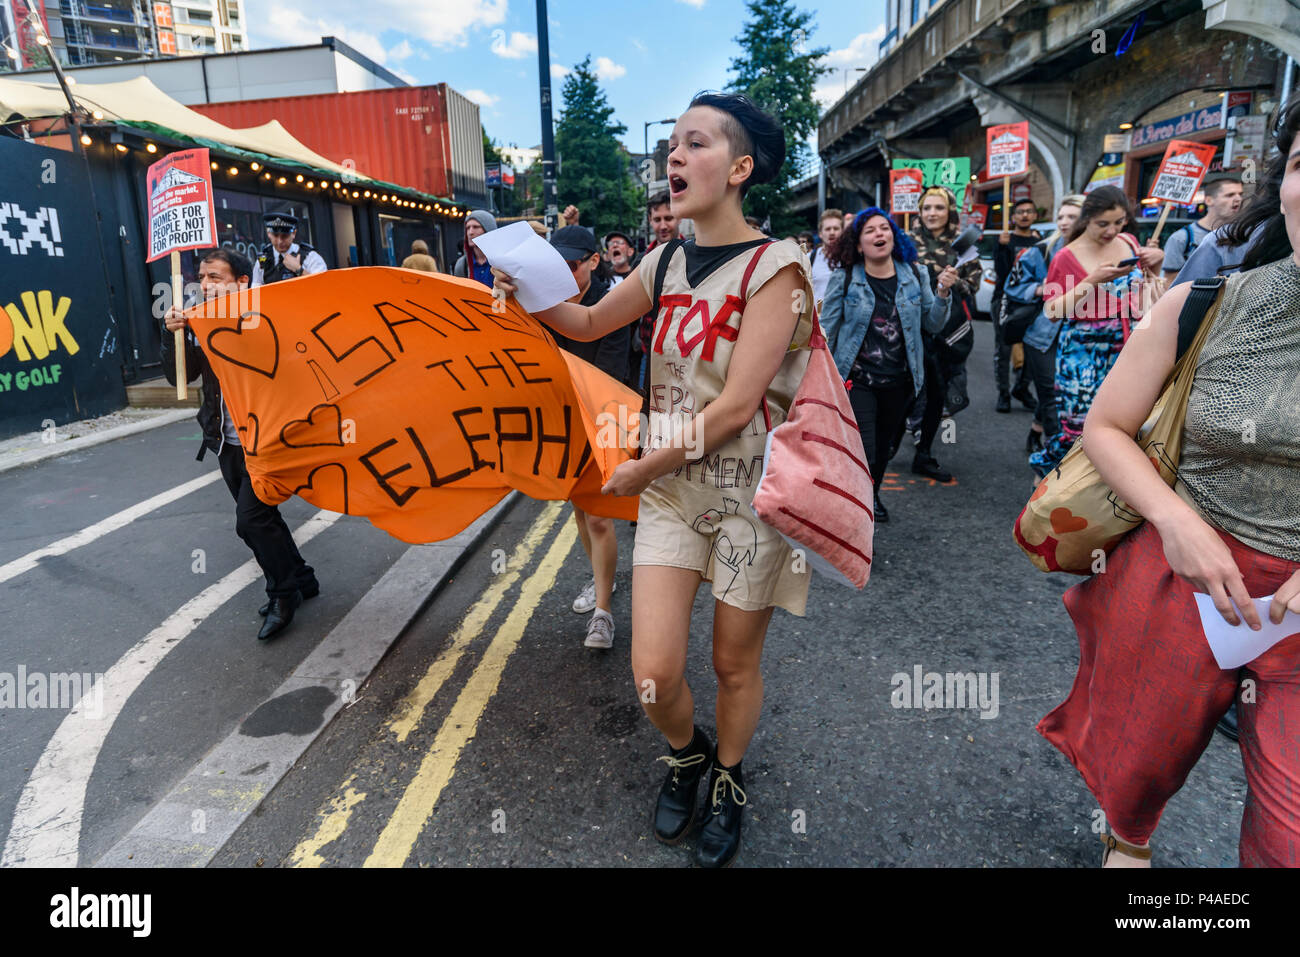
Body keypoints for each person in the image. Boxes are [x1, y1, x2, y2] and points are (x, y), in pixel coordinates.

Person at [493, 91, 815, 868]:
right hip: (674, 493)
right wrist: (523, 290)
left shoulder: (778, 267)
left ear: (739, 168)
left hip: (746, 500)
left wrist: (640, 465)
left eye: (694, 143)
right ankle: (688, 753)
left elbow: (739, 406)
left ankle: (730, 779)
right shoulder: (665, 259)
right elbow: (587, 322)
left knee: (734, 663)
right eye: (671, 143)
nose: (674, 156)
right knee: (654, 671)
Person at [1038, 98, 1300, 867]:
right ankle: (1127, 844)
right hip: (1180, 580)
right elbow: (1107, 427)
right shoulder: (1208, 302)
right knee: (1136, 770)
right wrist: (1174, 520)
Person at [162, 249, 320, 641]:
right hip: (226, 442)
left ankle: (284, 595)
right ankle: (302, 577)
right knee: (264, 518)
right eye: (203, 277)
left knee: (251, 520)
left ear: (242, 283)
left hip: (264, 441)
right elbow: (177, 377)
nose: (206, 284)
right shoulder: (197, 323)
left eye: (216, 276)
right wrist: (174, 337)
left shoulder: (263, 320)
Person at [819, 208, 955, 523]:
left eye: (885, 228)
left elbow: (932, 325)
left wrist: (943, 292)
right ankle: (857, 516)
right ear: (858, 243)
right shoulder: (846, 278)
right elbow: (827, 333)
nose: (880, 234)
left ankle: (871, 495)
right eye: (870, 230)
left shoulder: (915, 274)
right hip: (857, 380)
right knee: (865, 449)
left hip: (901, 382)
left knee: (883, 451)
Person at [1028, 185, 1164, 476]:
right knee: (1081, 432)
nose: (1112, 230)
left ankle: (1107, 496)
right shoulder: (1066, 255)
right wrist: (1091, 280)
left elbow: (1152, 294)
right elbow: (1051, 312)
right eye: (1103, 224)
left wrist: (1156, 267)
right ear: (1086, 218)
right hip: (1084, 354)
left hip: (1129, 348)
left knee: (1124, 427)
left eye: (1119, 222)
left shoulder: (1129, 242)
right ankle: (1054, 483)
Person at [543, 225, 632, 649]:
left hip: (605, 419)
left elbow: (611, 374)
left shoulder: (611, 302)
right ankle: (601, 581)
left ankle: (603, 613)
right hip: (565, 423)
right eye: (556, 264)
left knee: (599, 515)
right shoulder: (547, 301)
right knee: (581, 512)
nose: (564, 271)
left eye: (572, 264)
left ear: (594, 261)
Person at [907, 186, 981, 482]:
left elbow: (974, 285)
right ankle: (881, 449)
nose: (932, 214)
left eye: (939, 208)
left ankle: (923, 453)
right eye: (927, 208)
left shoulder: (962, 243)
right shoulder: (906, 242)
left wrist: (954, 282)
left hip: (947, 330)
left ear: (949, 211)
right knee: (903, 391)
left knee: (937, 392)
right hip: (910, 327)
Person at [1003, 194, 1084, 459]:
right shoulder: (1040, 251)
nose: (1064, 222)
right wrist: (1045, 289)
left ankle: (1036, 430)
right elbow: (1012, 286)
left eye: (1072, 216)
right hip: (1042, 334)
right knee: (1051, 393)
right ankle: (1057, 457)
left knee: (1066, 392)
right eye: (1060, 216)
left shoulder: (1099, 253)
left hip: (1082, 335)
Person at [992, 198, 1041, 412]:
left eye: (1029, 211)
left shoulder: (1040, 243)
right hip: (1005, 300)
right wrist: (1002, 249)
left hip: (1031, 301)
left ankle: (1021, 387)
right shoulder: (1005, 240)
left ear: (1034, 216)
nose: (1024, 215)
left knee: (1033, 347)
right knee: (1003, 348)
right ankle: (1003, 393)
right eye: (1020, 212)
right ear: (1013, 217)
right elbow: (1002, 274)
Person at [1161, 174, 1244, 281]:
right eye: (1230, 195)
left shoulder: (1244, 235)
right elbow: (1170, 282)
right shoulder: (1181, 238)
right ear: (1209, 200)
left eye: (1240, 194)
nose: (1238, 199)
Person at [252, 212, 327, 286]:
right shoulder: (263, 259)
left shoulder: (310, 257)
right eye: (275, 235)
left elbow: (323, 287)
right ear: (268, 233)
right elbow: (256, 292)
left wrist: (299, 270)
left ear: (294, 233)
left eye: (284, 236)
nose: (280, 241)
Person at [452, 210, 498, 288]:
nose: (470, 232)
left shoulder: (503, 262)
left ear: (489, 230)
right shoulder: (462, 265)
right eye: (467, 228)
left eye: (476, 227)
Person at [809, 208, 843, 305]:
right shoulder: (809, 259)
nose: (832, 232)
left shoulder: (851, 259)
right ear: (820, 234)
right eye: (828, 229)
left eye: (836, 228)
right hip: (817, 319)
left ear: (842, 232)